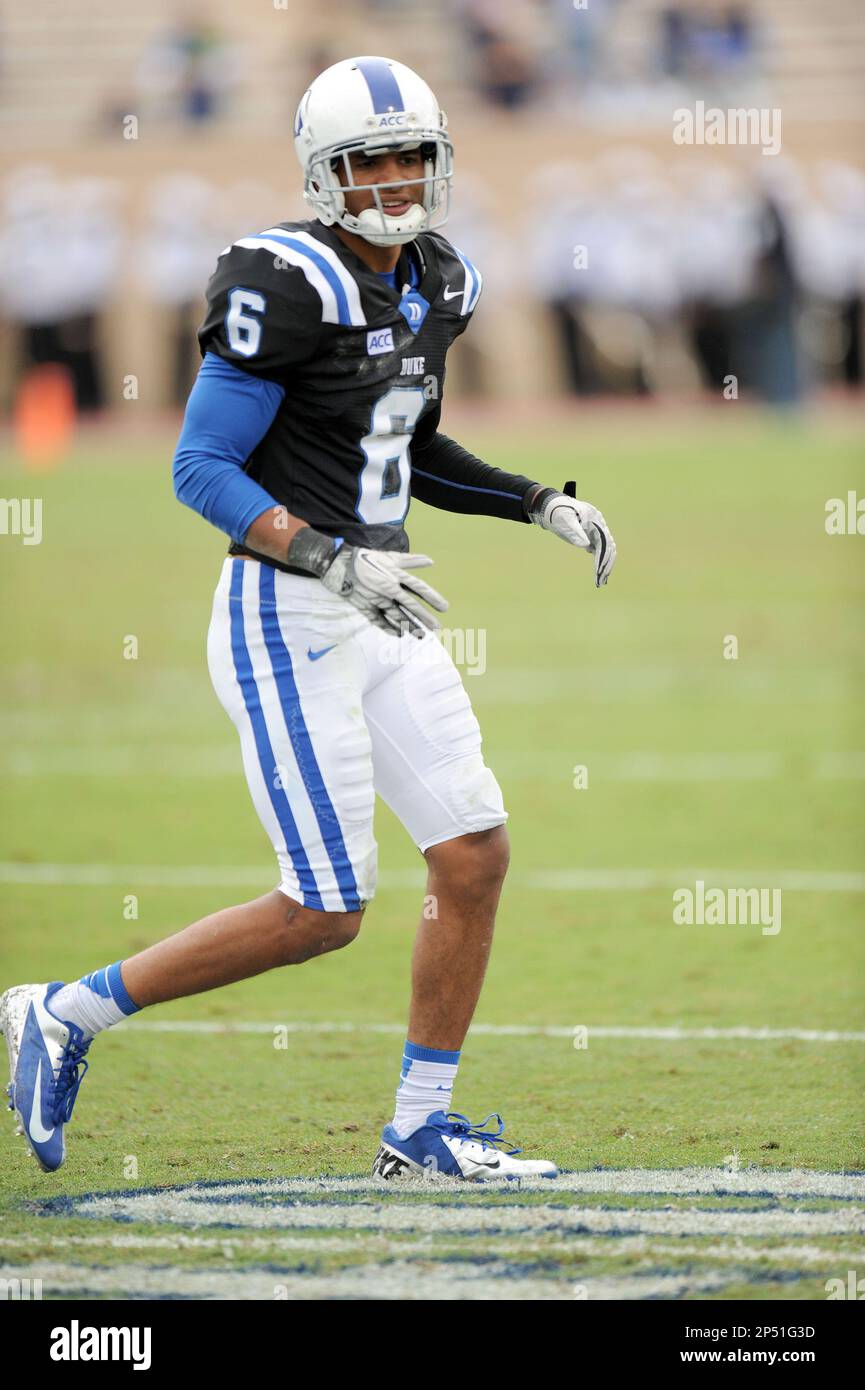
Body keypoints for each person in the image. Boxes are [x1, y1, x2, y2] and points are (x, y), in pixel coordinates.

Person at [1, 56, 615, 1183]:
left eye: (410, 155)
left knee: (473, 853)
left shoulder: (438, 276)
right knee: (327, 906)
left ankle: (420, 1126)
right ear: (321, 172)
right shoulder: (283, 279)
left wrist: (535, 501)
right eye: (366, 160)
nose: (393, 178)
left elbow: (407, 445)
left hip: (386, 608)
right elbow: (201, 466)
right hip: (289, 614)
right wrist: (327, 557)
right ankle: (64, 1011)